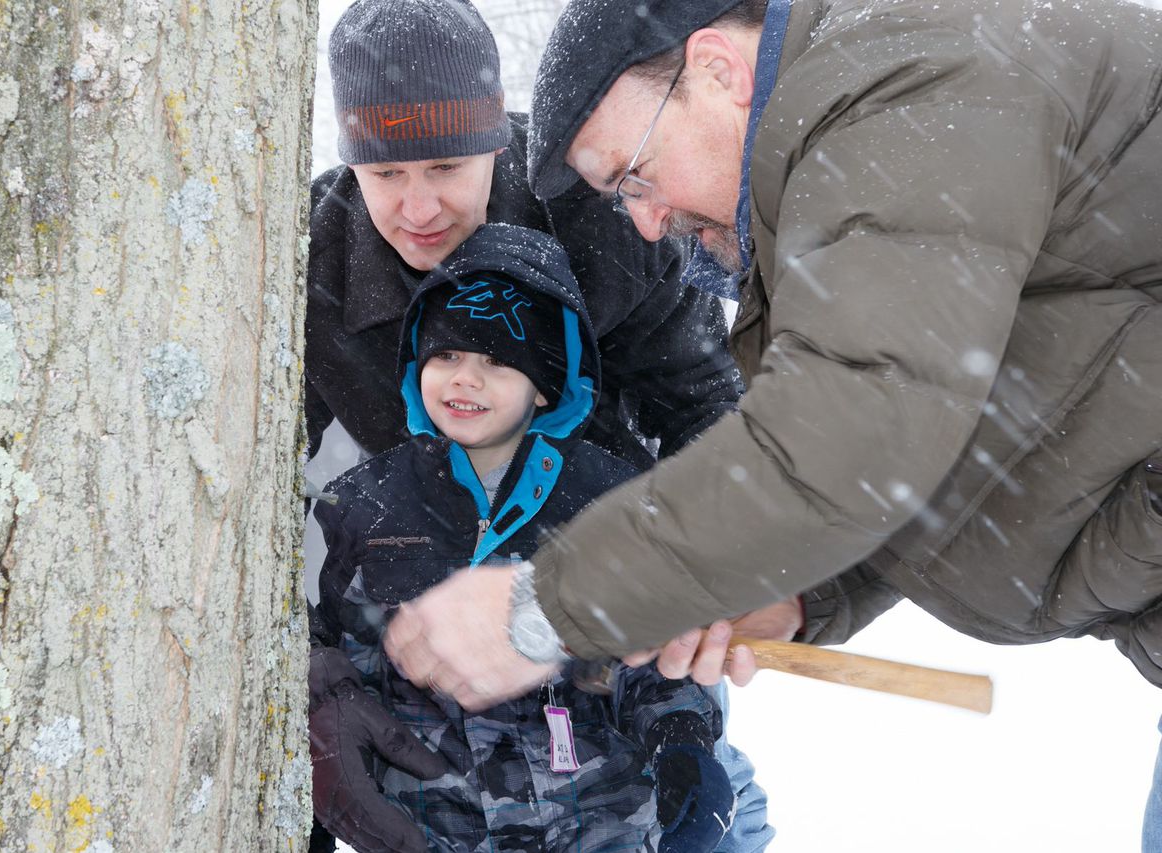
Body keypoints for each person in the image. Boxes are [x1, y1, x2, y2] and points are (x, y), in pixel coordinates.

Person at [382, 0, 1162, 841]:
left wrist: (549, 608)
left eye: (634, 175)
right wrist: (797, 588)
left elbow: (850, 431)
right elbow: (957, 422)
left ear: (718, 70)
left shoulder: (907, 82)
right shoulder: (860, 151)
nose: (646, 222)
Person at [308, 223, 774, 853]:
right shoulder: (367, 503)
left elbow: (651, 654)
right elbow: (338, 656)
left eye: (497, 361)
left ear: (547, 384)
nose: (464, 379)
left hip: (599, 824)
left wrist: (683, 744)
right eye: (445, 356)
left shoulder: (611, 498)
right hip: (435, 830)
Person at [306, 0, 744, 474]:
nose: (420, 210)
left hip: (601, 522)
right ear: (353, 164)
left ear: (495, 143)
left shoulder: (608, 206)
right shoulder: (306, 258)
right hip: (412, 535)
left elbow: (705, 408)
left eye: (446, 167)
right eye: (386, 172)